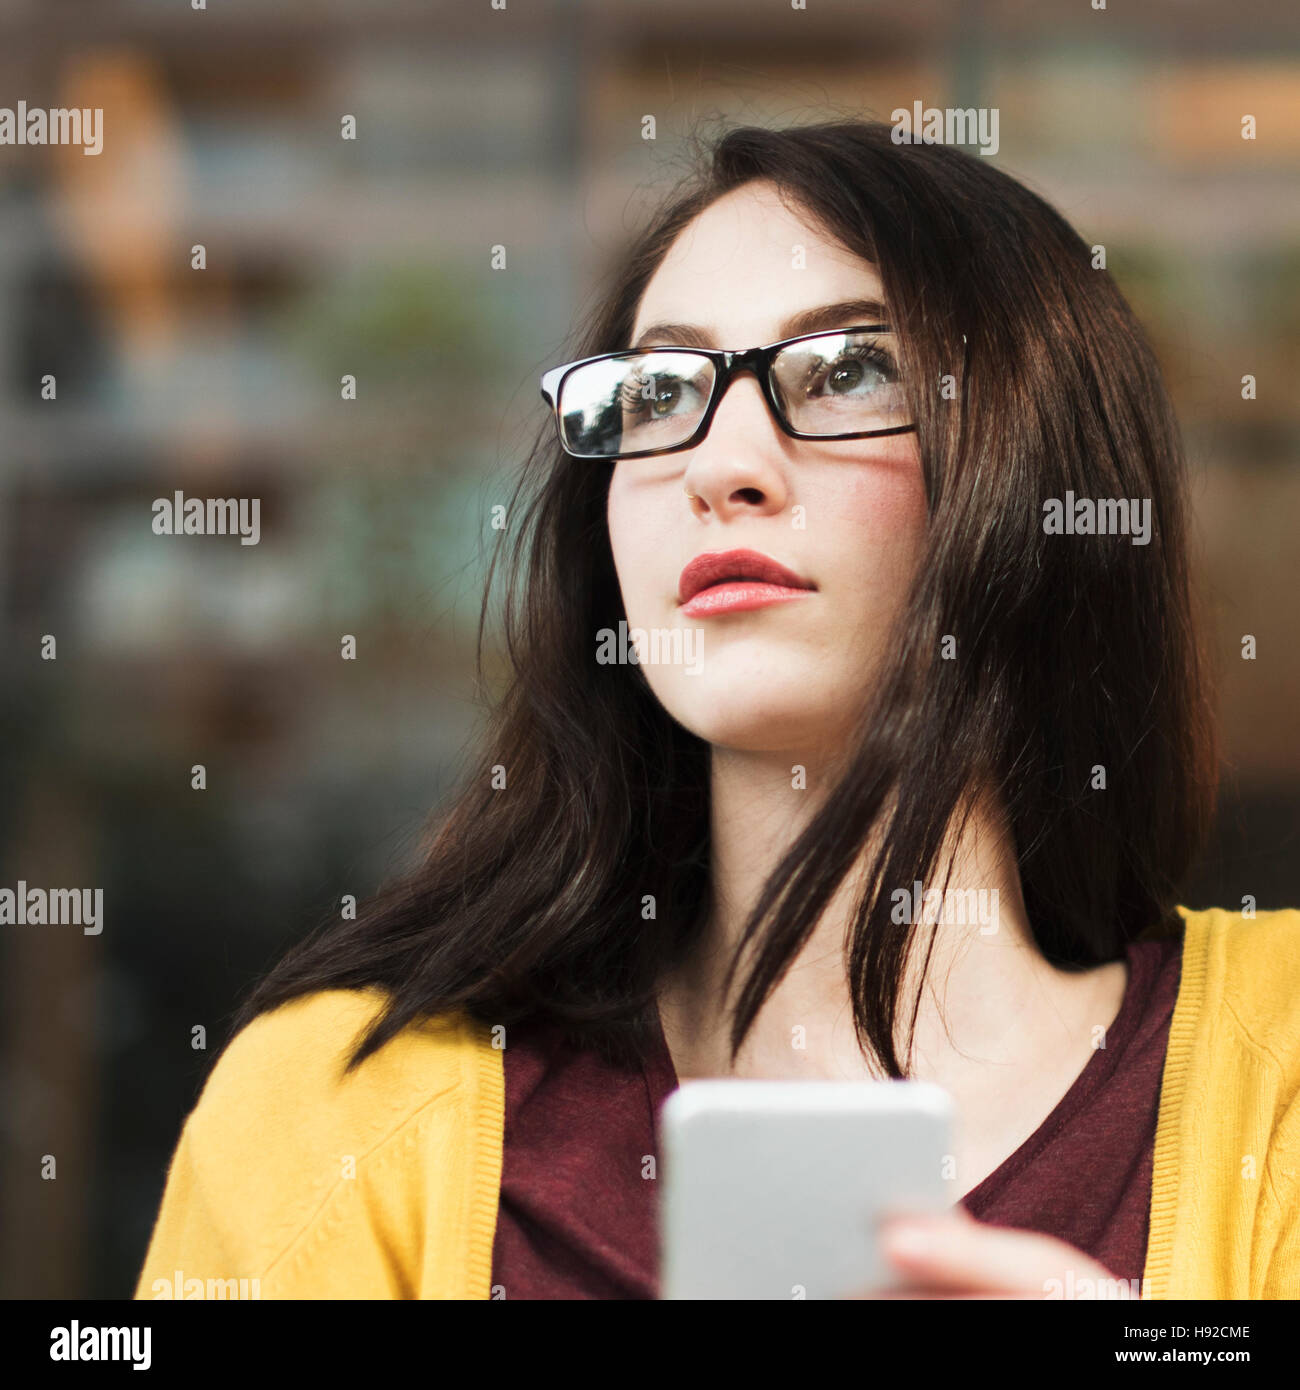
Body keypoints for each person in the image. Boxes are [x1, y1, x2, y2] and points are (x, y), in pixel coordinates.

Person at [134, 119, 1300, 1301]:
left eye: (848, 369)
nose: (715, 463)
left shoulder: (1280, 1060)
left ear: (1047, 459)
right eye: (657, 391)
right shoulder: (340, 1105)